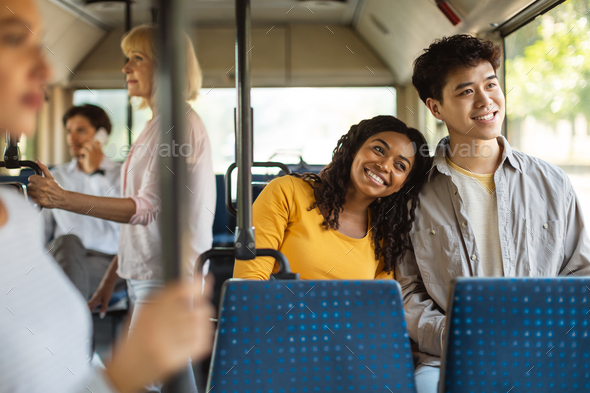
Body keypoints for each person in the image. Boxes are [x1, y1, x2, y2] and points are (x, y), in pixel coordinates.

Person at [0, 1, 214, 393]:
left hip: (166, 274)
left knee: (155, 381)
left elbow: (145, 211)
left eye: (137, 58)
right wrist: (110, 278)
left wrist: (63, 198)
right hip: (144, 272)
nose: (126, 68)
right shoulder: (156, 127)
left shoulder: (178, 125)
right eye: (126, 58)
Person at [397, 34, 590, 393]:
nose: (486, 100)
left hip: (541, 351)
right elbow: (407, 291)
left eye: (491, 85)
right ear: (436, 108)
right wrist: (462, 337)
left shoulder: (552, 182)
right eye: (466, 91)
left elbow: (580, 276)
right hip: (446, 357)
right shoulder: (411, 191)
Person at [234, 115, 431, 280]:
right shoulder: (286, 192)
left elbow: (374, 307)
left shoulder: (385, 238)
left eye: (400, 165)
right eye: (379, 150)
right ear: (355, 149)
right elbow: (249, 282)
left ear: (402, 185)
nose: (385, 166)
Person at [44, 104, 123, 300]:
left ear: (101, 135)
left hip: (106, 261)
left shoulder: (121, 175)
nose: (72, 138)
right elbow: (43, 231)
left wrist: (95, 174)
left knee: (59, 283)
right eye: (69, 131)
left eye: (81, 131)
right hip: (62, 255)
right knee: (67, 242)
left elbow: (124, 223)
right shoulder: (56, 176)